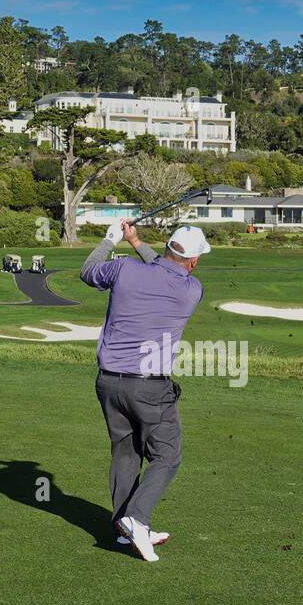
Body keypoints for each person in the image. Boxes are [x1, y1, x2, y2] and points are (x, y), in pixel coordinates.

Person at [79, 219, 209, 562]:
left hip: (108, 383)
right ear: (194, 262)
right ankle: (136, 520)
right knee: (167, 456)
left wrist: (113, 240)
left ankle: (123, 531)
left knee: (126, 453)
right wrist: (137, 242)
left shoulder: (122, 269)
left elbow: (89, 271)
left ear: (167, 248)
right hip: (150, 388)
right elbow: (164, 270)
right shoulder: (191, 290)